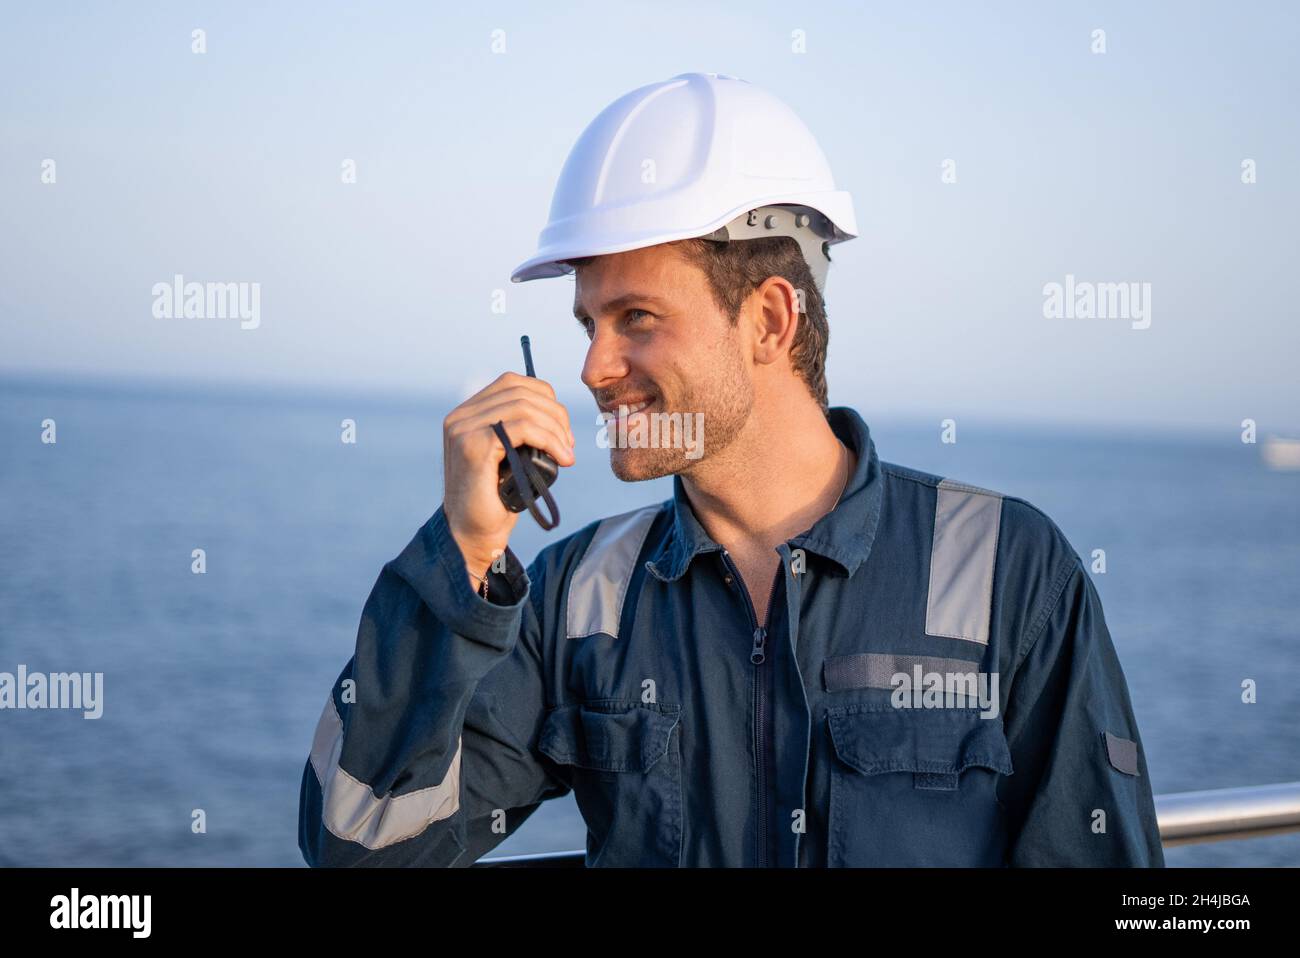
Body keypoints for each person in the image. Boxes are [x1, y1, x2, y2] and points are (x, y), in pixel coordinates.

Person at [298, 72, 1165, 867]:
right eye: (587, 324)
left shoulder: (1009, 571)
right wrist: (464, 557)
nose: (595, 368)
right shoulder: (576, 599)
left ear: (769, 322)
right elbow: (362, 848)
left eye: (636, 317)